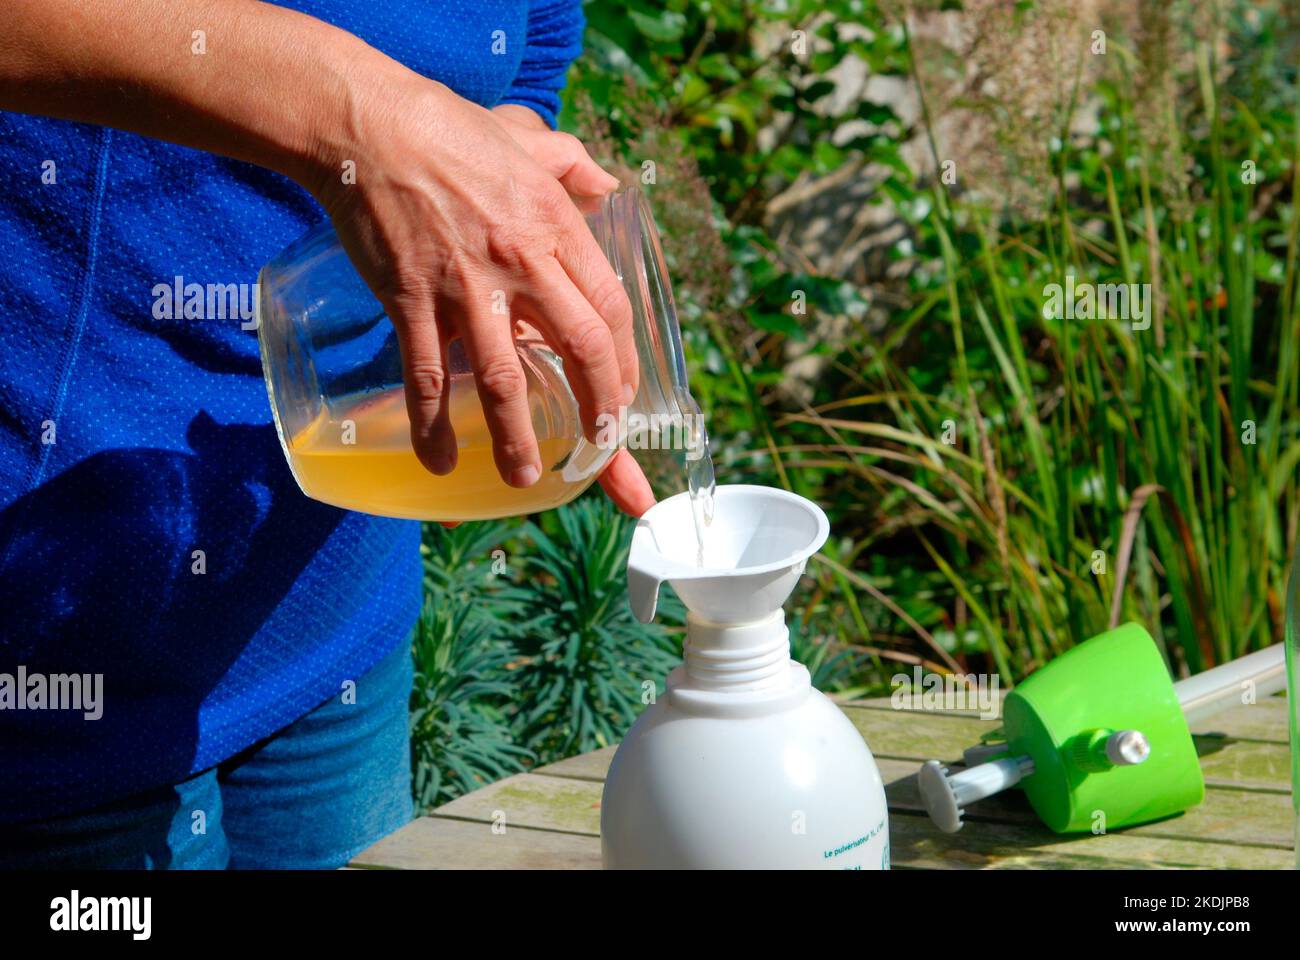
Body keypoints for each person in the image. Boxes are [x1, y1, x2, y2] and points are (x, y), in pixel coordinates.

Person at [0, 0, 653, 868]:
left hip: (336, 609)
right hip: (56, 636)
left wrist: (491, 192)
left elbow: (535, 33)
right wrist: (361, 121)